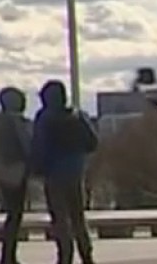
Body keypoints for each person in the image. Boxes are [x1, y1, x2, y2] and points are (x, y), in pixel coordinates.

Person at [28, 80, 96, 264]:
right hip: (76, 172)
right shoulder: (78, 115)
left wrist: (36, 168)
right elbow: (93, 143)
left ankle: (64, 255)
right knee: (78, 217)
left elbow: (38, 146)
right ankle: (86, 254)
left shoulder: (44, 118)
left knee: (60, 219)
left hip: (54, 174)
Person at [0, 86, 32, 264]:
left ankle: (8, 255)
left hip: (2, 172)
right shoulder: (15, 122)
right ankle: (8, 256)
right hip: (16, 171)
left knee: (12, 215)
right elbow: (26, 146)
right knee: (15, 215)